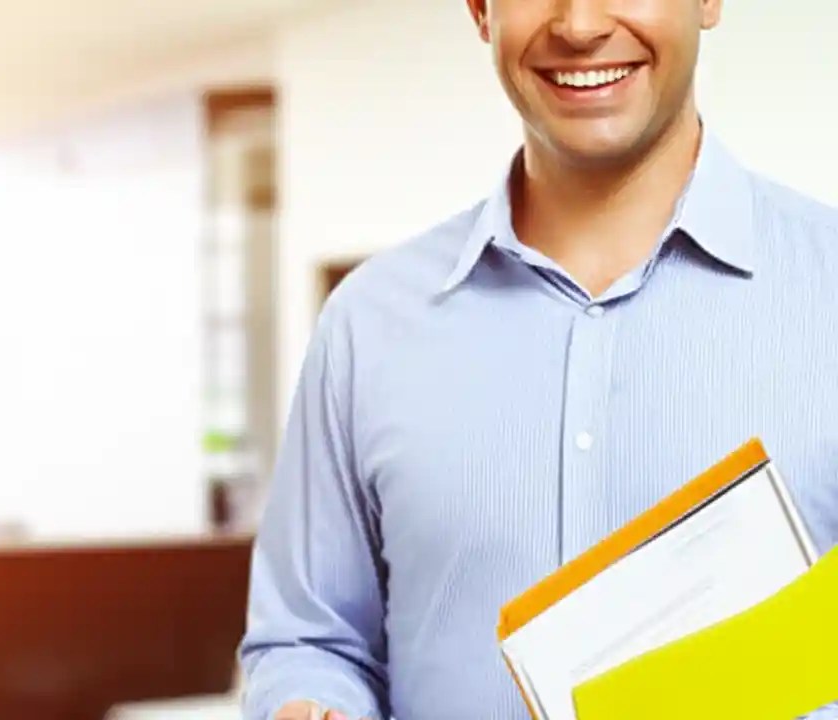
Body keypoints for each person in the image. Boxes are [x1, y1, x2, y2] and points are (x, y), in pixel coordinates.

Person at [240, 1, 838, 719]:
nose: (580, 25)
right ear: (479, 8)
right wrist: (309, 701)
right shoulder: (368, 327)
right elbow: (310, 640)